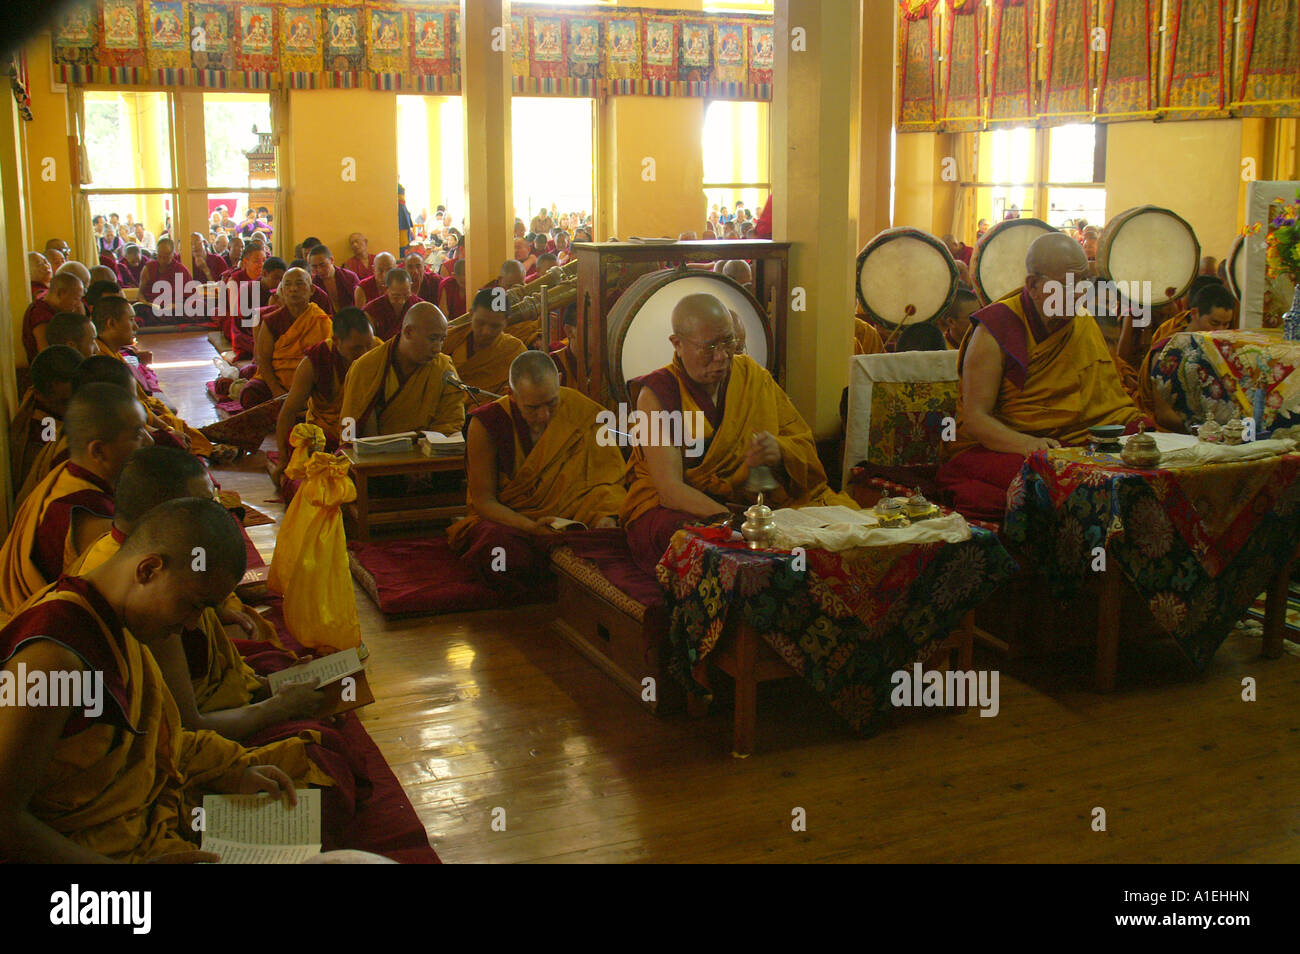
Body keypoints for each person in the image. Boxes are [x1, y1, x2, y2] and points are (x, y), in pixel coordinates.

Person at [0, 497, 335, 862]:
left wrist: (233, 770)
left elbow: (154, 740)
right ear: (148, 570)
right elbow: (6, 822)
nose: (193, 626)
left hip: (136, 822)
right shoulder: (51, 657)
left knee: (317, 794)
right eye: (194, 605)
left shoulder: (116, 620)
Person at [70, 448, 326, 738]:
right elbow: (186, 725)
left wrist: (274, 685)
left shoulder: (131, 556)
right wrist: (278, 708)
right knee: (316, 745)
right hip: (185, 740)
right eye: (203, 505)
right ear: (166, 513)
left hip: (208, 702)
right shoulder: (145, 602)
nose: (216, 513)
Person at [620, 293, 857, 574]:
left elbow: (802, 445)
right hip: (686, 506)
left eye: (728, 342)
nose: (721, 357)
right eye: (709, 347)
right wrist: (731, 521)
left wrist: (779, 451)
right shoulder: (656, 394)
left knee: (835, 528)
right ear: (677, 344)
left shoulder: (752, 376)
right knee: (689, 539)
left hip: (748, 502)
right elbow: (670, 490)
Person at [936, 233, 1145, 522]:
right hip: (1006, 446)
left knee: (1145, 445)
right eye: (1067, 286)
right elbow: (976, 418)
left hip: (1074, 441)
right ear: (1033, 285)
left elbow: (1107, 402)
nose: (1079, 294)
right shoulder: (996, 329)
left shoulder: (1081, 322)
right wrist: (1026, 444)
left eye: (1084, 283)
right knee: (1044, 479)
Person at [447, 351, 626, 593]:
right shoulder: (487, 423)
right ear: (511, 394)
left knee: (621, 529)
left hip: (570, 515)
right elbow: (484, 501)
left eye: (552, 403)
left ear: (559, 381)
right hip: (511, 520)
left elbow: (605, 481)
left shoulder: (582, 411)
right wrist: (531, 528)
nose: (544, 416)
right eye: (532, 408)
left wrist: (606, 517)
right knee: (500, 555)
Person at [0, 383, 151, 612]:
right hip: (48, 624)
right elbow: (127, 601)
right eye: (137, 434)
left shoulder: (66, 474)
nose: (149, 441)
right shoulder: (89, 515)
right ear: (98, 451)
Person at [272, 307, 376, 484]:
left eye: (369, 345)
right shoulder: (315, 361)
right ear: (336, 341)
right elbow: (289, 410)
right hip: (326, 436)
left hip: (365, 433)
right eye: (357, 348)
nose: (365, 353)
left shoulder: (379, 354)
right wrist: (282, 460)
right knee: (310, 481)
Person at [340, 301, 464, 439]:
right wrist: (351, 445)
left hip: (427, 455)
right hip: (374, 458)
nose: (438, 348)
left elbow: (452, 421)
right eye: (433, 338)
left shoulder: (443, 368)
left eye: (442, 340)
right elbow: (349, 423)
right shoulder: (365, 367)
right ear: (408, 332)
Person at [1137, 283, 1237, 428]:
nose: (1220, 330)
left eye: (1226, 324)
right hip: (1178, 434)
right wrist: (1203, 431)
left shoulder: (1223, 347)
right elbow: (1163, 414)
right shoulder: (1166, 351)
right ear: (1194, 313)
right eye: (1214, 323)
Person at [244, 267, 332, 408]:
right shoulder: (271, 321)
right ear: (283, 291)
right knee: (250, 394)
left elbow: (328, 359)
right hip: (277, 380)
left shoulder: (321, 320)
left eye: (299, 283)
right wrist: (275, 389)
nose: (293, 289)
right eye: (288, 285)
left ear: (311, 290)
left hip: (310, 382)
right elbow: (263, 360)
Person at [8, 345, 82, 498]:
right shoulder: (44, 427)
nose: (73, 408)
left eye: (78, 399)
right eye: (64, 402)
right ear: (39, 395)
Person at [442, 289, 528, 407]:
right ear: (471, 314)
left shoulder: (514, 351)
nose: (486, 332)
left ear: (506, 322)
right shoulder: (450, 339)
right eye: (480, 323)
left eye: (495, 326)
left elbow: (510, 399)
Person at [364, 266, 422, 341]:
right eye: (396, 296)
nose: (402, 301)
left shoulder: (419, 306)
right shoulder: (372, 310)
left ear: (410, 286)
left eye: (406, 295)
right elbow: (369, 342)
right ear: (385, 289)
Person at [136, 238, 191, 309]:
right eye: (159, 256)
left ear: (173, 254)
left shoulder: (181, 270)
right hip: (151, 309)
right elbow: (140, 294)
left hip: (174, 311)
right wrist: (146, 304)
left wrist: (174, 306)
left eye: (165, 257)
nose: (162, 260)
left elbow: (190, 299)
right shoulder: (149, 268)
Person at [308, 244, 361, 315]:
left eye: (323, 265)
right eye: (314, 266)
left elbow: (360, 304)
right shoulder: (313, 284)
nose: (319, 270)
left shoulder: (350, 277)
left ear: (332, 260)